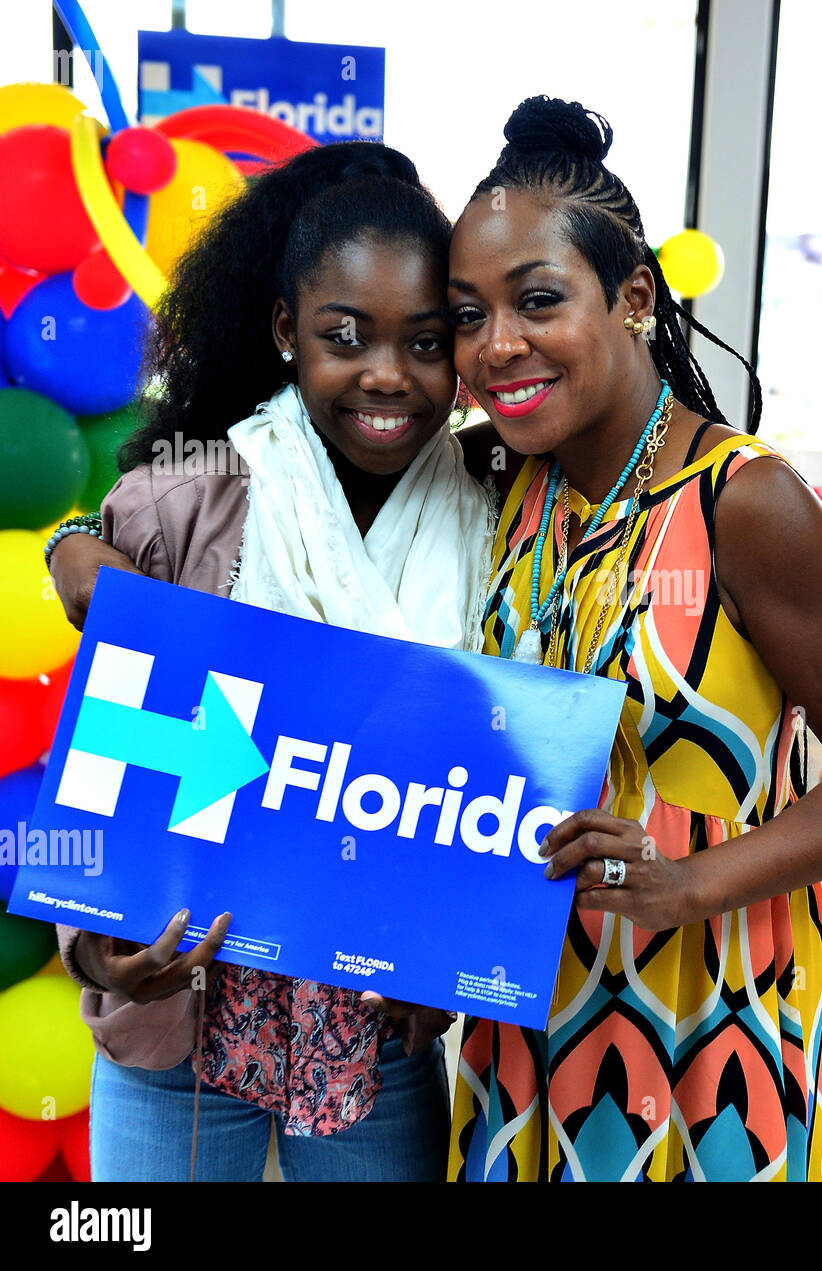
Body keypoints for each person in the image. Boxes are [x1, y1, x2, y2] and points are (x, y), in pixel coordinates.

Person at [437, 96, 822, 1181]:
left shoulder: (746, 502)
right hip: (528, 1024)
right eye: (467, 315)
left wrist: (686, 883)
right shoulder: (503, 482)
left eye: (537, 301)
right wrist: (88, 536)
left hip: (717, 1031)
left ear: (630, 296)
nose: (497, 346)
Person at [46, 141, 493, 1181]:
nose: (387, 374)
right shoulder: (185, 496)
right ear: (289, 330)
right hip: (182, 1021)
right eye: (346, 335)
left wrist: (457, 954)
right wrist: (98, 946)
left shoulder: (494, 509)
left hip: (375, 1025)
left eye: (425, 342)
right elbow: (108, 753)